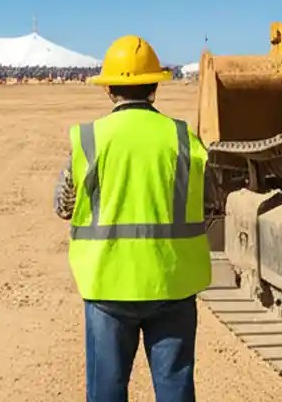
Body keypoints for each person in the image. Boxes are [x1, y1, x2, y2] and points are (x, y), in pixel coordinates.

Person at [53, 34, 211, 402]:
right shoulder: (183, 137)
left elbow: (63, 205)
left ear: (109, 88)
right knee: (175, 388)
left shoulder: (90, 139)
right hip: (173, 282)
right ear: (155, 85)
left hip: (107, 284)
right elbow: (210, 202)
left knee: (106, 392)